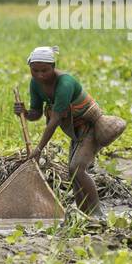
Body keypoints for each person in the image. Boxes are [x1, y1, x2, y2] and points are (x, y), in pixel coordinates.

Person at [14, 46, 107, 218]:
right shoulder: (35, 84)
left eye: (45, 70)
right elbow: (36, 113)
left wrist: (39, 149)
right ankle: (83, 212)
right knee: (73, 172)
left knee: (77, 168)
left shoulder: (65, 83)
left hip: (90, 127)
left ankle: (97, 213)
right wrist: (25, 112)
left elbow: (55, 119)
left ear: (54, 66)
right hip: (75, 132)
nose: (40, 75)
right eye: (35, 71)